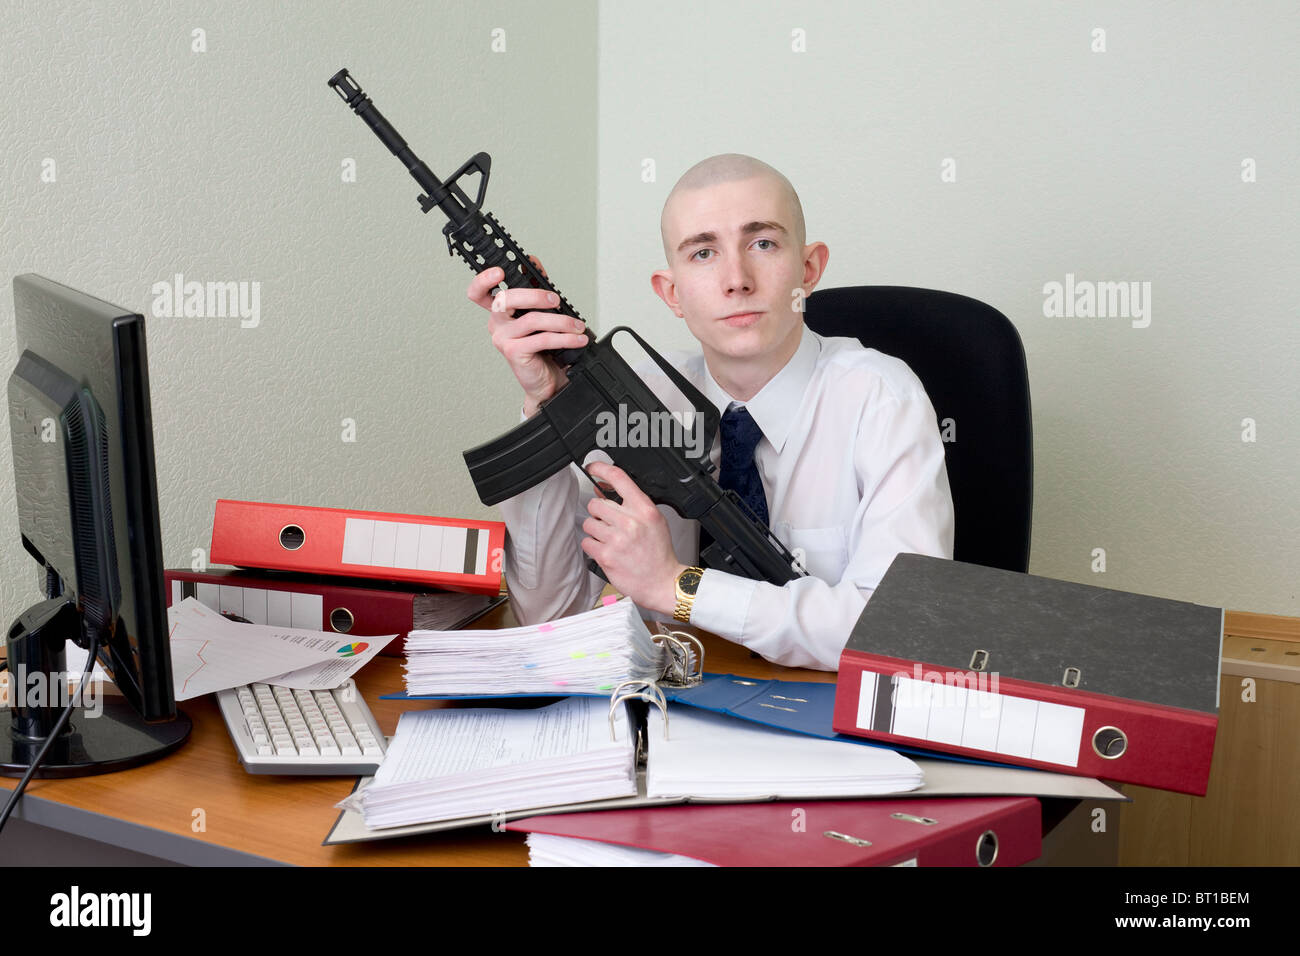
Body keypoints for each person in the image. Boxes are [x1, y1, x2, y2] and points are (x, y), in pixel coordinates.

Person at [465, 154, 954, 670]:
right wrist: (548, 404)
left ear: (808, 269)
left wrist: (678, 586)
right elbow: (552, 615)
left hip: (828, 726)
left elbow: (900, 632)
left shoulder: (881, 400)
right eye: (702, 253)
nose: (736, 279)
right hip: (672, 721)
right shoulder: (638, 404)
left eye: (762, 243)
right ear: (671, 293)